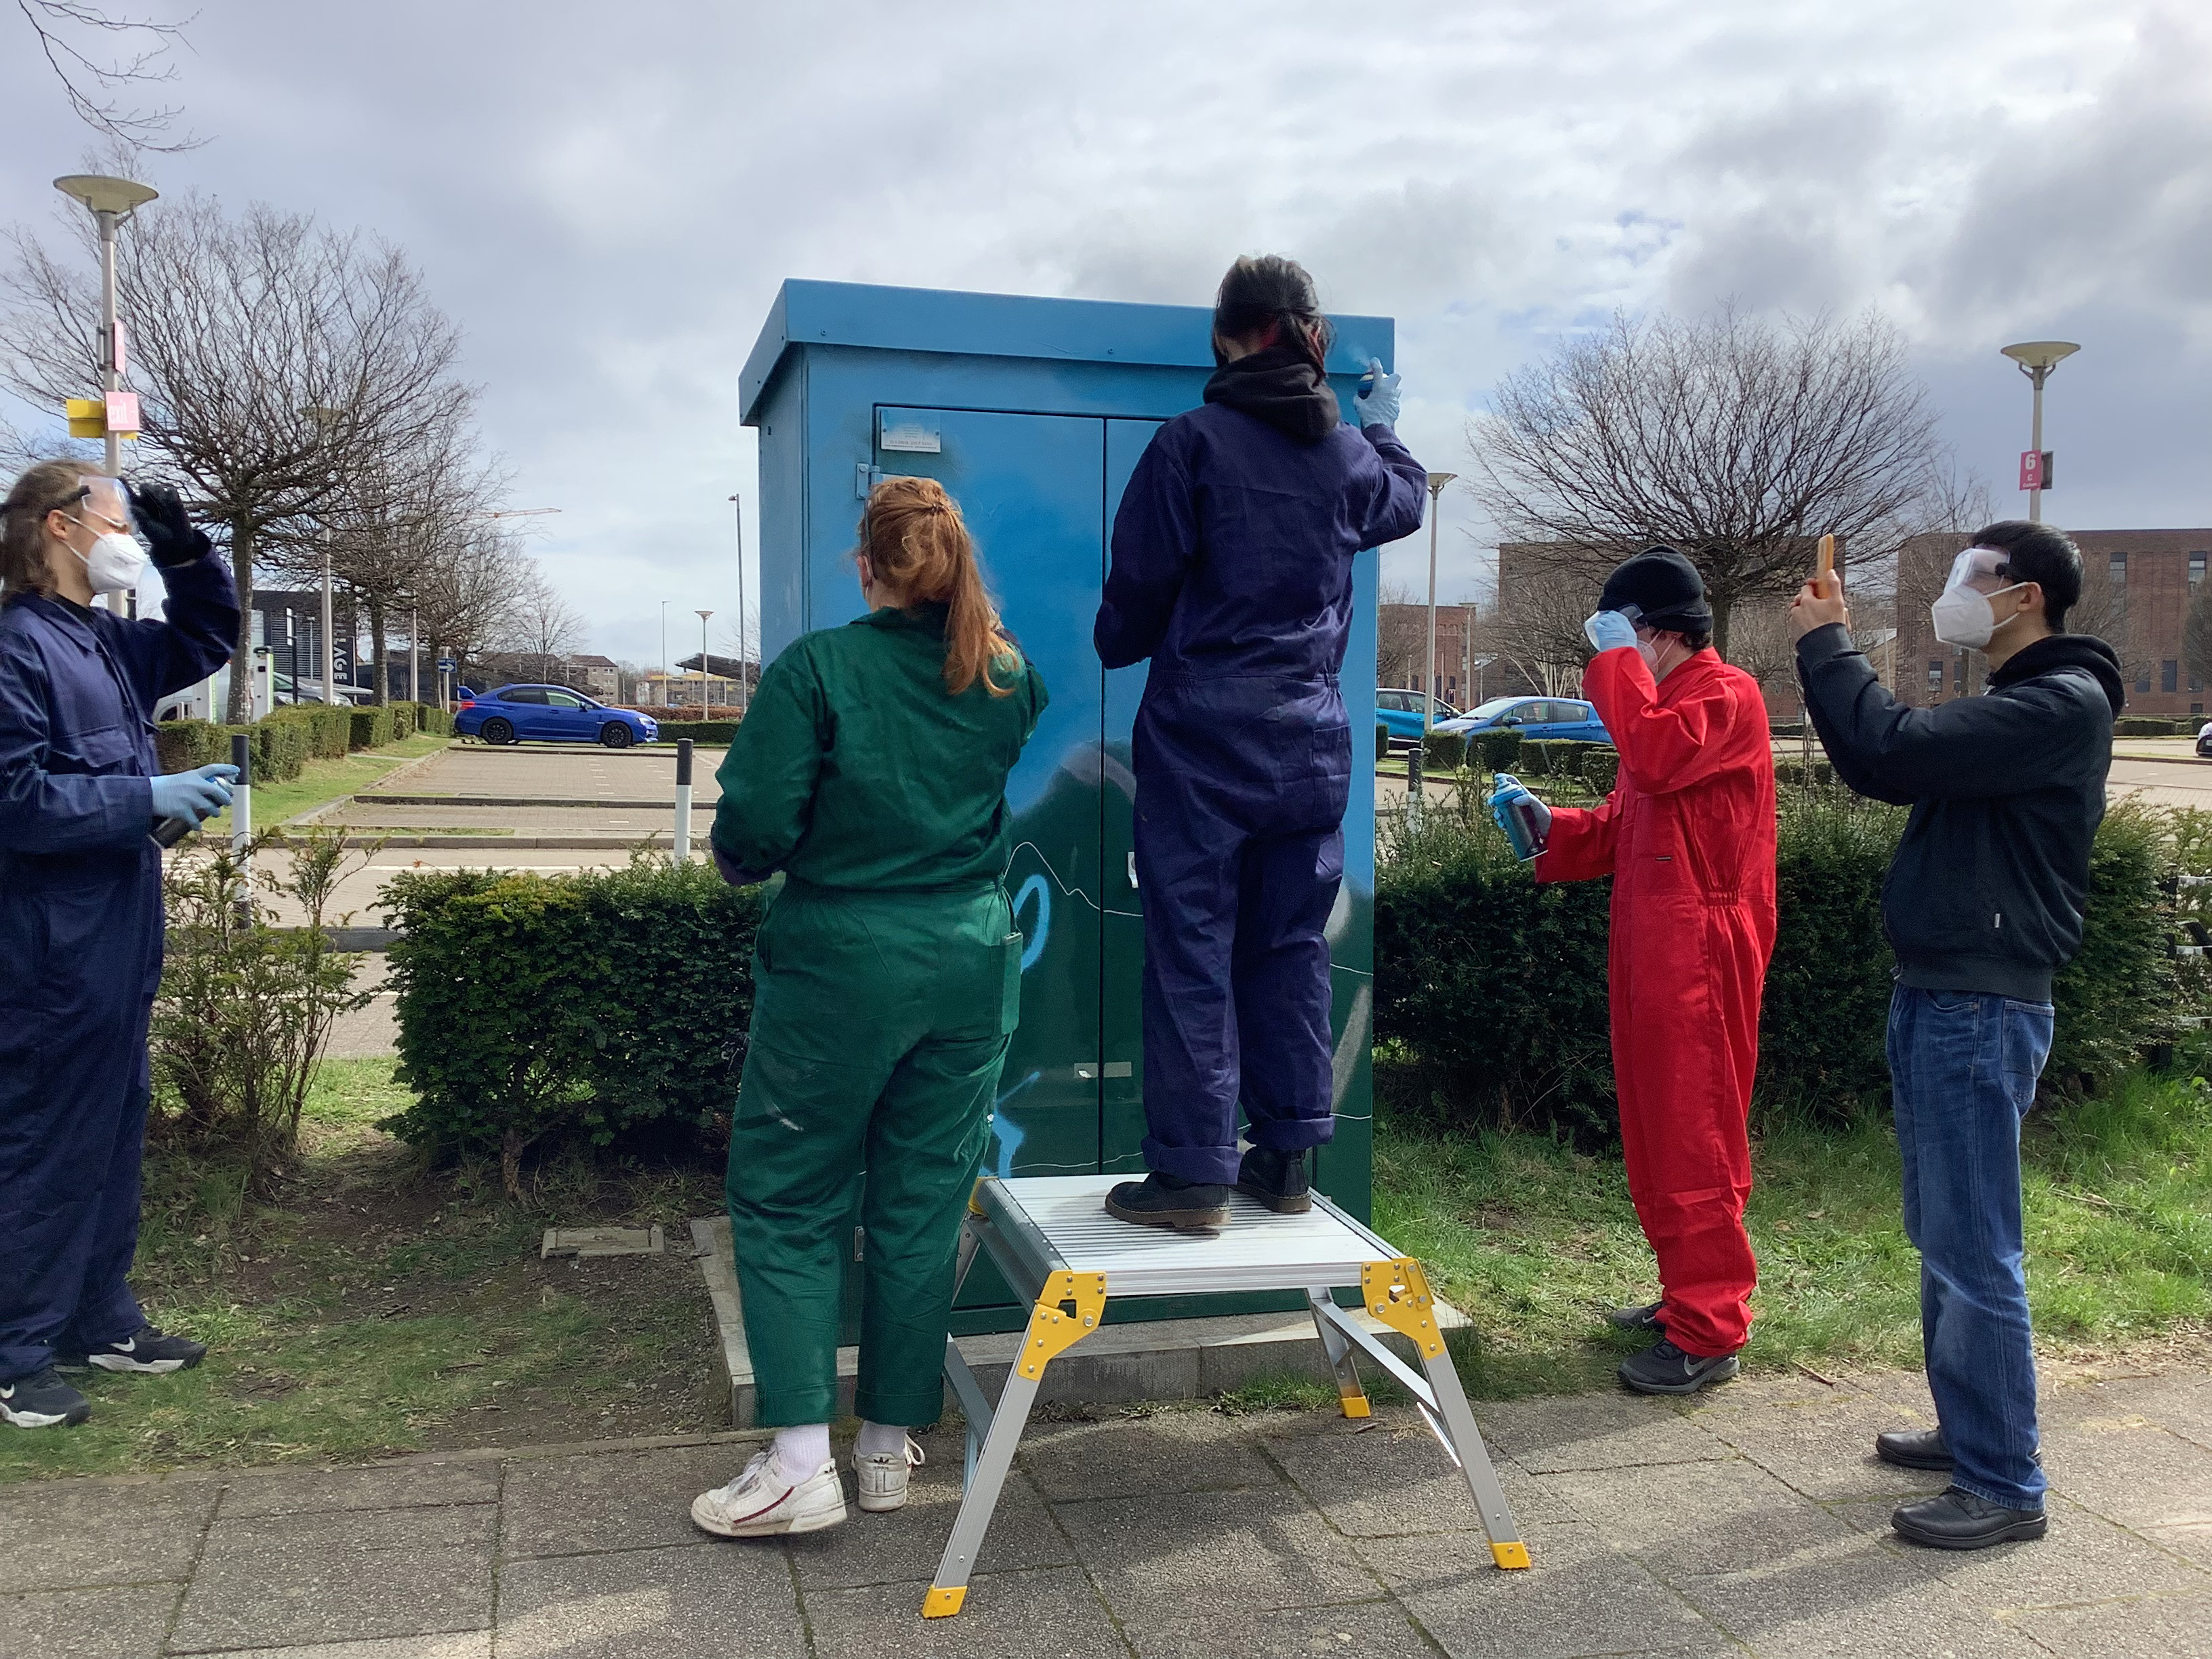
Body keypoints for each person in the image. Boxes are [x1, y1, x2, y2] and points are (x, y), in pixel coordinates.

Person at [691, 475, 1046, 1538]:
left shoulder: (818, 670)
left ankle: (801, 1463)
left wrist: (746, 860)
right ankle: (888, 1446)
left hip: (842, 968)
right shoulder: (1006, 673)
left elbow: (752, 823)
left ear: (866, 565)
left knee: (793, 1196)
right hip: (971, 964)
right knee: (920, 1201)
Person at [1790, 521, 2120, 1551]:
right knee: (1945, 1232)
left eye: (1970, 575)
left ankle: (2004, 1482)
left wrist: (1828, 644)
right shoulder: (2019, 705)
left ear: (2024, 597)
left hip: (1981, 1003)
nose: (1952, 591)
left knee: (1977, 1245)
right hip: (1940, 991)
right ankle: (1970, 1427)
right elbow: (1887, 754)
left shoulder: (2058, 705)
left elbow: (1885, 750)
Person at [1094, 254, 1427, 1230]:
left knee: (1193, 943)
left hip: (1204, 739)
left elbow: (1134, 607)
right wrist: (1386, 426)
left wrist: (1117, 636)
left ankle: (1194, 1174)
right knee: (1289, 944)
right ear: (1309, 335)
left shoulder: (1189, 446)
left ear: (1225, 338)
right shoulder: (1348, 460)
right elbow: (1403, 501)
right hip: (1311, 743)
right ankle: (1286, 1161)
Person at [1490, 548, 1776, 1394]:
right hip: (1659, 941)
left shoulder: (1726, 695)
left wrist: (1613, 663)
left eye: (1622, 634)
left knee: (1696, 1130)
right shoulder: (1676, 701)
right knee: (1659, 1126)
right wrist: (1554, 828)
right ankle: (1684, 1295)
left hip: (1700, 947)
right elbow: (1629, 821)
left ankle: (1711, 1328)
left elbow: (1651, 757)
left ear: (1655, 632)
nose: (1614, 652)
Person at [0, 462, 240, 1430]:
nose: (124, 529)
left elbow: (203, 636)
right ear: (62, 527)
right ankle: (18, 1351)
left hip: (114, 934)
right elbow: (15, 798)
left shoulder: (99, 642)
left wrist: (187, 547)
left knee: (109, 1133)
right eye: (116, 512)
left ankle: (100, 1319)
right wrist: (142, 799)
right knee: (46, 1142)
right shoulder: (18, 647)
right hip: (46, 950)